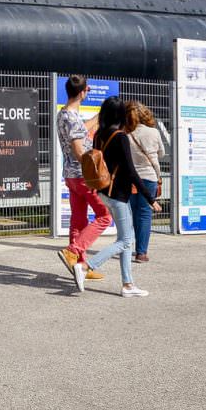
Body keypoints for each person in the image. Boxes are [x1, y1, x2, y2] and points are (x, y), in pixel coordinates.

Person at [76, 99, 153, 297]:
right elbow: (130, 170)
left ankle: (128, 284)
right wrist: (150, 198)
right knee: (126, 240)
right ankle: (86, 267)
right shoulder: (121, 137)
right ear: (121, 115)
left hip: (103, 192)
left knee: (125, 238)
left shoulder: (99, 135)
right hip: (118, 194)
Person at [54, 75, 114, 278]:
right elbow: (79, 151)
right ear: (82, 92)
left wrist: (99, 116)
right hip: (83, 176)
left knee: (78, 220)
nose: (87, 92)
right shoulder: (71, 118)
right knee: (105, 216)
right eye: (86, 90)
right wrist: (94, 173)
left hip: (71, 176)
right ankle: (73, 251)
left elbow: (81, 129)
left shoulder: (65, 114)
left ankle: (80, 266)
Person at [128, 104, 166, 263]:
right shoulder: (154, 132)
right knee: (144, 214)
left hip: (130, 178)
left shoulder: (126, 133)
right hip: (149, 177)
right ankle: (141, 252)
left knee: (133, 213)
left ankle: (134, 247)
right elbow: (162, 153)